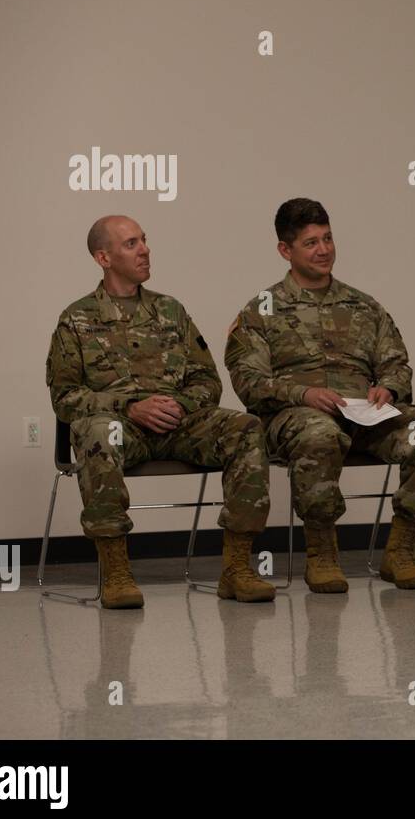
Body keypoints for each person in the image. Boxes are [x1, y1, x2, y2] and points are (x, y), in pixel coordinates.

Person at [45, 215, 275, 608]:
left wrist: (178, 405)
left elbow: (207, 380)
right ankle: (117, 572)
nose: (145, 249)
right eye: (131, 243)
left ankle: (236, 568)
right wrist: (130, 408)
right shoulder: (76, 319)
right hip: (121, 429)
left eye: (144, 240)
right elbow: (65, 398)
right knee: (97, 433)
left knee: (246, 427)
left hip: (178, 424)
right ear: (103, 257)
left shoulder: (171, 310)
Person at [225, 199, 415, 591]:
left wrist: (389, 387)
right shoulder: (261, 310)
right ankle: (322, 553)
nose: (324, 249)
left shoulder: (364, 306)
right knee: (320, 433)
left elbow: (397, 363)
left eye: (328, 238)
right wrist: (303, 392)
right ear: (286, 250)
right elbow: (247, 380)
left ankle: (400, 550)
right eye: (311, 242)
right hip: (295, 416)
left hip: (365, 413)